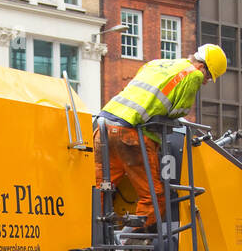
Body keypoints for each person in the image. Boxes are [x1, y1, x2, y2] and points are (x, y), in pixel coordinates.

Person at [95, 44, 228, 230]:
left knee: (99, 190)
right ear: (203, 67)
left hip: (103, 126)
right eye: (208, 76)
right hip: (131, 134)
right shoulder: (193, 74)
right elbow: (179, 111)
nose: (205, 81)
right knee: (154, 198)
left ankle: (96, 239)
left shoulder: (156, 63)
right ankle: (125, 243)